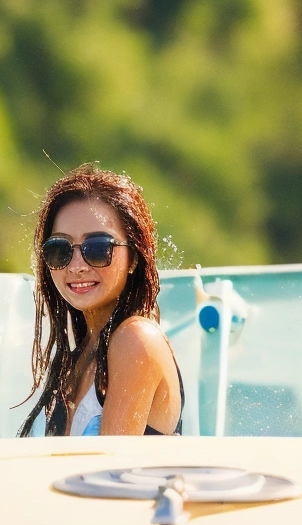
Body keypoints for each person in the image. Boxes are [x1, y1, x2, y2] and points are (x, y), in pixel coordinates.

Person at [21, 165, 183, 436]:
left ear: (133, 256)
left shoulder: (136, 340)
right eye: (59, 249)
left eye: (97, 248)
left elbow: (109, 471)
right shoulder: (78, 358)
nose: (76, 266)